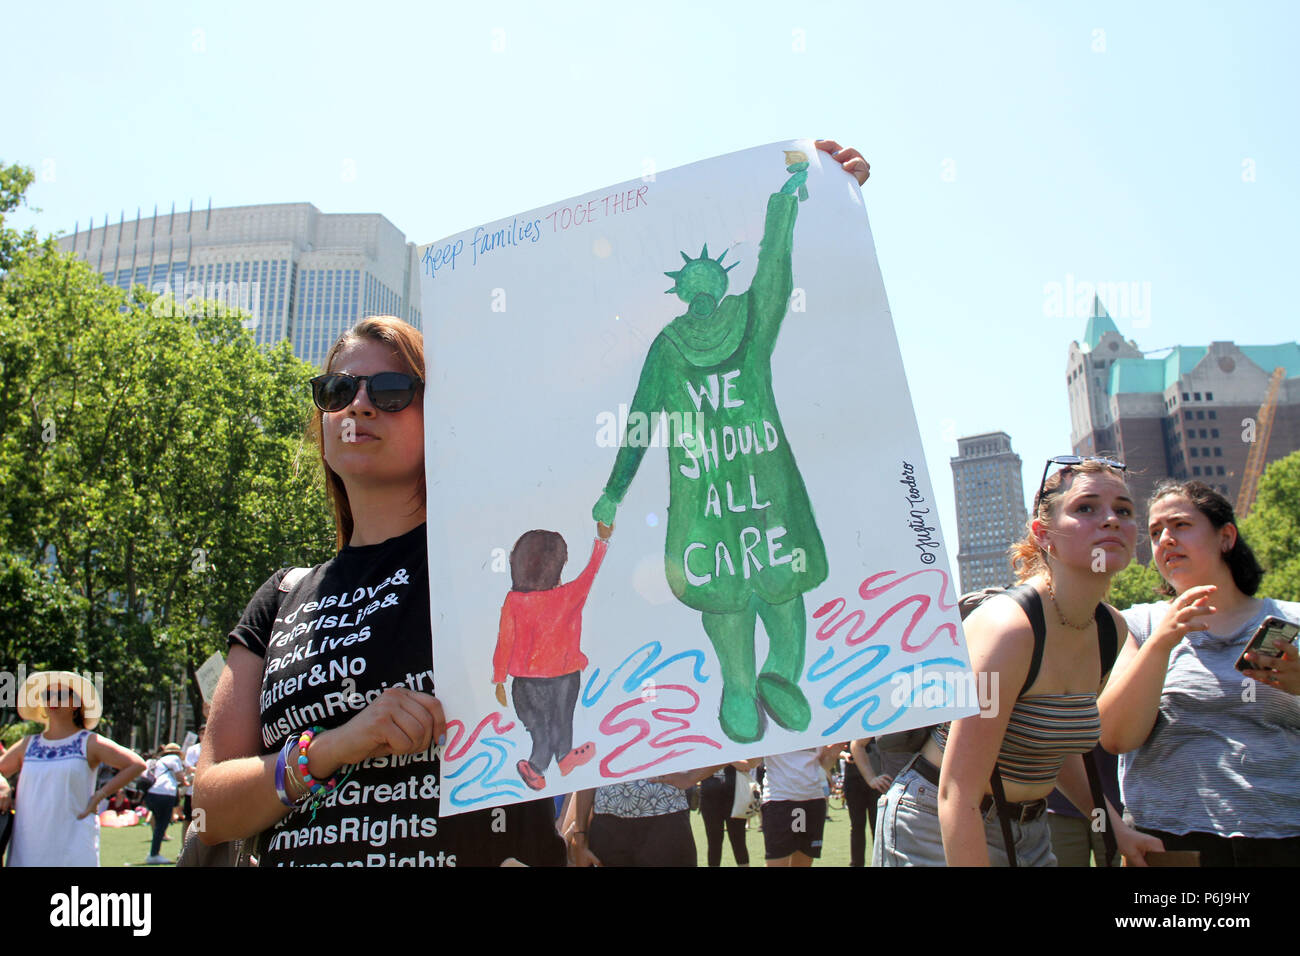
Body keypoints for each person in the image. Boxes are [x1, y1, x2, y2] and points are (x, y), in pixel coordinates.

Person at [194, 316, 565, 866]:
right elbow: (209, 810)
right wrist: (332, 747)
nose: (359, 406)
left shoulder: (492, 569)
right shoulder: (279, 598)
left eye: (392, 392)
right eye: (338, 391)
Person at [590, 141, 870, 745]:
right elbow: (776, 268)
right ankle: (764, 679)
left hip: (716, 489)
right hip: (752, 479)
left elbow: (638, 424)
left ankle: (754, 683)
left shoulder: (676, 341)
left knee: (742, 589)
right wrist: (785, 203)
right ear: (711, 283)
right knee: (770, 583)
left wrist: (613, 494)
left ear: (689, 287)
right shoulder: (735, 321)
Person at [873, 458, 1161, 866]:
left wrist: (1117, 830)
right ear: (1044, 535)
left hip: (1030, 830)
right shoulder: (1008, 630)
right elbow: (957, 794)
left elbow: (1052, 748)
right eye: (1086, 508)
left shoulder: (1109, 629)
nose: (1111, 519)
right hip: (936, 825)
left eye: (1124, 510)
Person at [1099, 480, 1300, 865]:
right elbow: (1117, 737)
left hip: (1287, 837)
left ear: (1226, 537)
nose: (1165, 540)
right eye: (1156, 533)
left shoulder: (1292, 619)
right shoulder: (1138, 625)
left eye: (1180, 525)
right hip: (1170, 841)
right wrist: (1161, 644)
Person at [492, 524, 610, 791]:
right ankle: (544, 763)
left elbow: (505, 641)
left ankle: (553, 761)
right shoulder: (568, 595)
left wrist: (500, 679)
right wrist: (602, 540)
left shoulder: (514, 600)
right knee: (562, 718)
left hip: (525, 683)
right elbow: (591, 572)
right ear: (555, 567)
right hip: (565, 678)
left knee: (540, 729)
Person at [0, 670, 146, 867]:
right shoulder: (28, 744)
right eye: (47, 695)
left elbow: (136, 764)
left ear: (76, 703)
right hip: (28, 841)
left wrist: (100, 795)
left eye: (61, 695)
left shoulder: (88, 742)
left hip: (73, 841)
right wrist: (3, 786)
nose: (53, 700)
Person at [762, 744, 841, 866]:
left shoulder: (814, 726)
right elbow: (753, 762)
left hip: (812, 799)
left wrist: (833, 754)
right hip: (779, 800)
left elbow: (824, 764)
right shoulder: (771, 726)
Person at [698, 762, 752, 866]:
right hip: (710, 798)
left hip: (734, 798)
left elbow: (746, 766)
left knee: (738, 840)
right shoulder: (706, 750)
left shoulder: (734, 749)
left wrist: (727, 757)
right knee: (714, 842)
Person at [143, 742, 188, 864]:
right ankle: (154, 854)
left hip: (151, 793)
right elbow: (180, 778)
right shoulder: (174, 759)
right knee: (162, 824)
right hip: (165, 793)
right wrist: (186, 780)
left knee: (158, 824)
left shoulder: (156, 761)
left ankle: (153, 851)